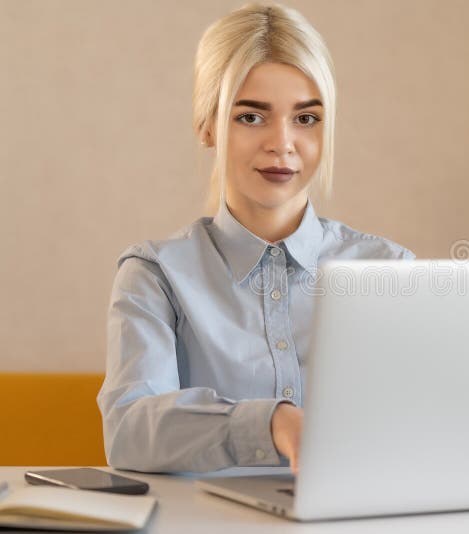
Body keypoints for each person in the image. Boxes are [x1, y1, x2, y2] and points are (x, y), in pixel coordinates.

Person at [97, 2, 414, 475]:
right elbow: (129, 430)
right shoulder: (154, 275)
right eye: (251, 117)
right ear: (207, 125)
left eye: (306, 118)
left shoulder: (389, 269)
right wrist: (271, 424)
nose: (282, 143)